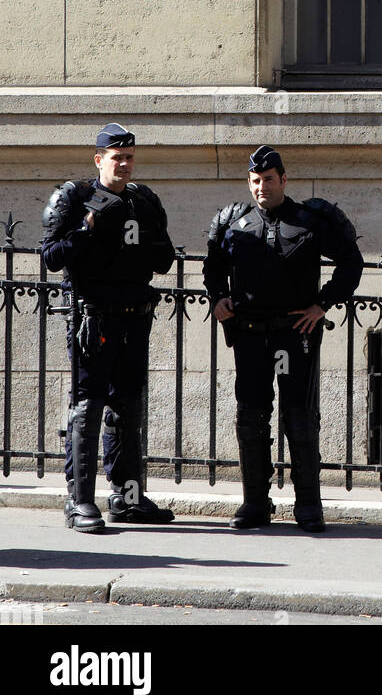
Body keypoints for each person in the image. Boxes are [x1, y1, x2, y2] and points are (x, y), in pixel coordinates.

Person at [204, 146, 363, 533]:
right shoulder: (233, 223)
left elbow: (351, 262)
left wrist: (322, 304)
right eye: (255, 181)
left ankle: (308, 505)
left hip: (296, 334)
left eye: (269, 180)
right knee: (251, 417)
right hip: (251, 334)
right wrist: (219, 298)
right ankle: (255, 502)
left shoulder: (310, 219)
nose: (261, 187)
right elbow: (213, 267)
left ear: (283, 179)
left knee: (300, 417)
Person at [41, 123, 176, 533]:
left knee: (128, 408)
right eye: (117, 158)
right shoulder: (75, 196)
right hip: (92, 318)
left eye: (130, 157)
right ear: (99, 159)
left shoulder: (144, 201)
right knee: (88, 406)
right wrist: (87, 229)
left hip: (134, 316)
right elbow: (51, 256)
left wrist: (150, 241)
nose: (125, 164)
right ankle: (79, 501)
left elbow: (165, 260)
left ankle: (127, 497)